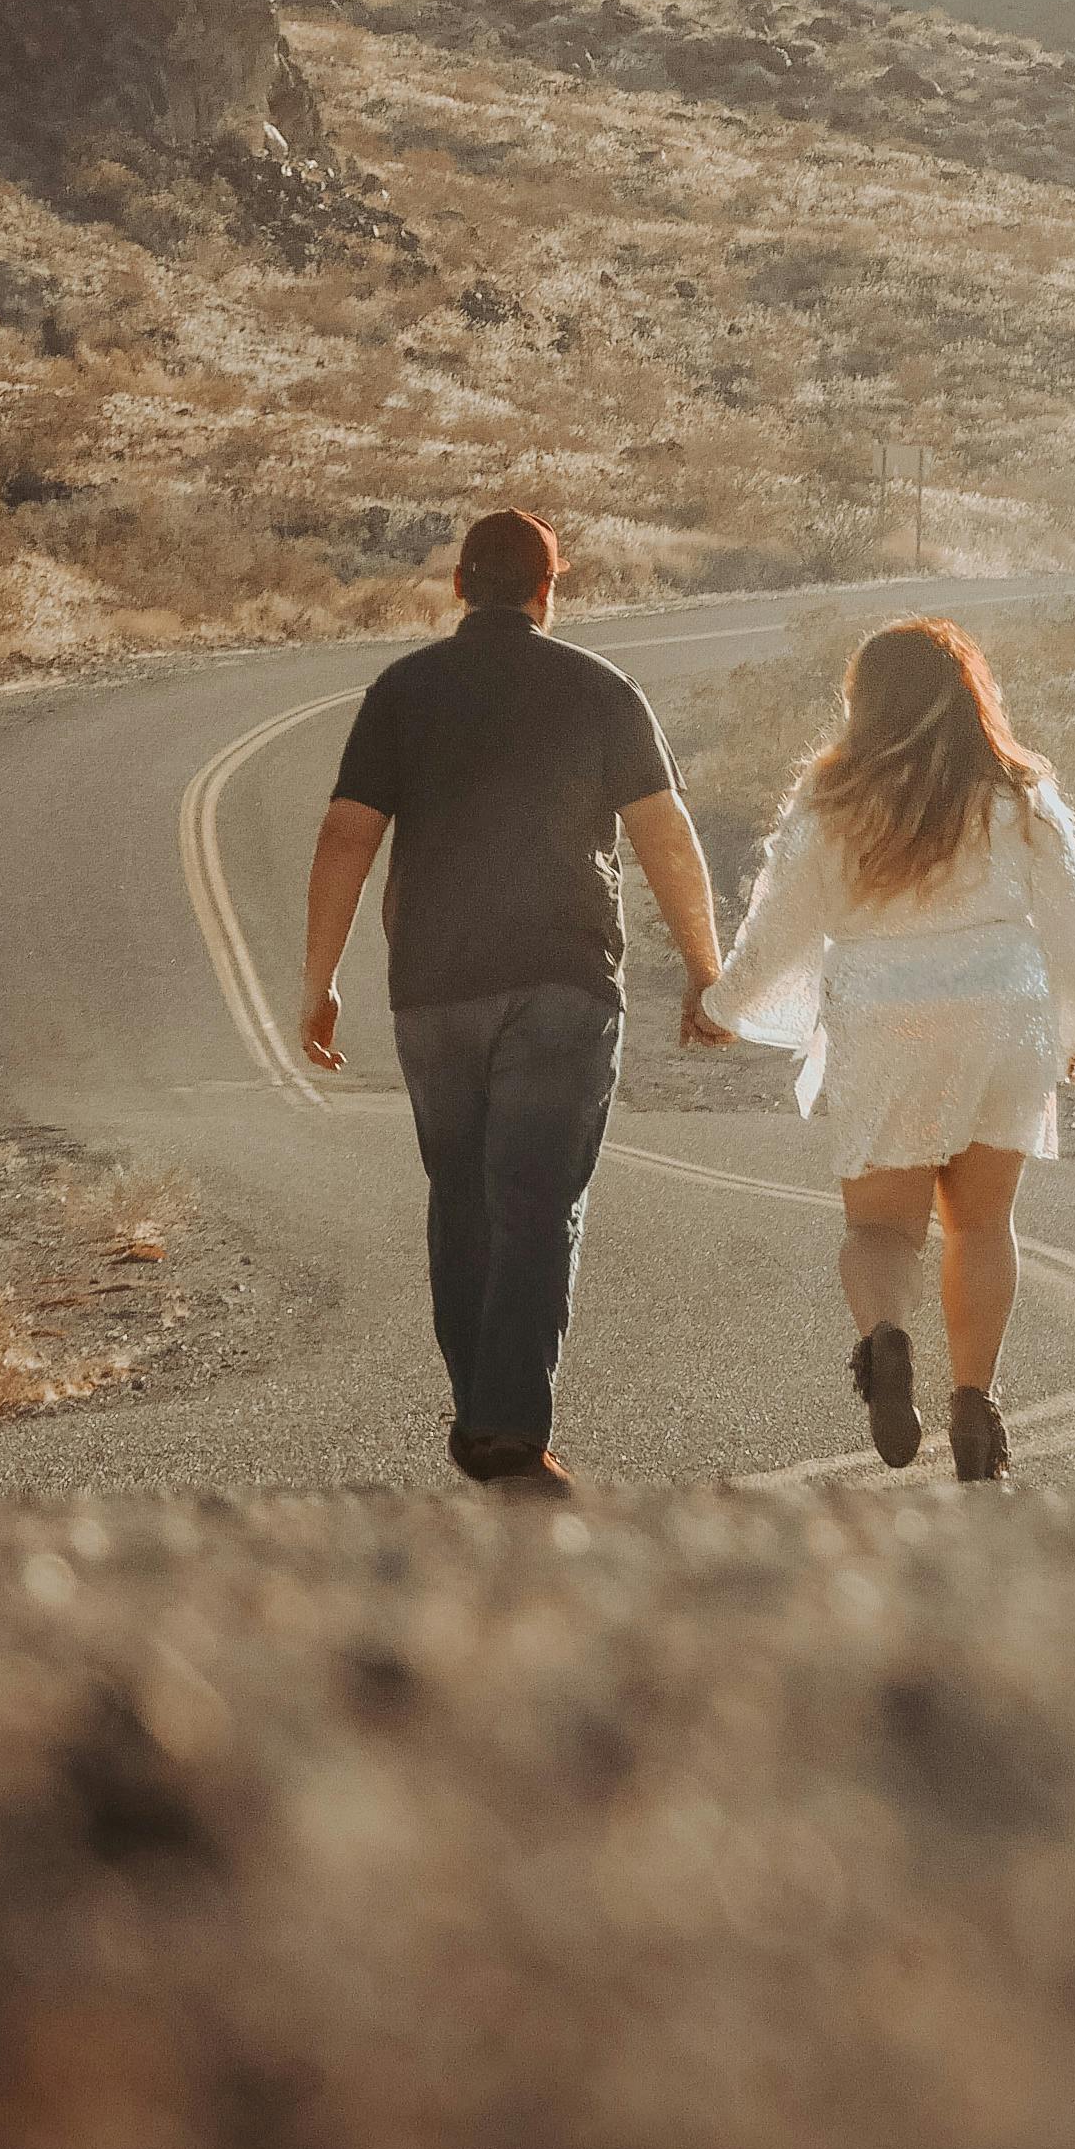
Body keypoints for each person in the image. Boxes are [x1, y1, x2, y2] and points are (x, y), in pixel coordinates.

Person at [298, 508, 727, 1493]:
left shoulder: (405, 690)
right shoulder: (601, 688)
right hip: (563, 979)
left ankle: (485, 1420)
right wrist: (706, 969)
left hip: (434, 986)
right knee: (535, 1200)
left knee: (462, 1198)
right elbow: (666, 836)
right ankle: (505, 1423)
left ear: (459, 585)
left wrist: (318, 982)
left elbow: (343, 837)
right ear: (549, 588)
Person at [702, 618, 1075, 1485]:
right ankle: (976, 1409)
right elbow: (1068, 918)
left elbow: (782, 919)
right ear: (972, 698)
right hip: (1005, 1008)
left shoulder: (833, 799)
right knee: (982, 1224)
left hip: (886, 1014)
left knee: (881, 1227)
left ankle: (886, 1342)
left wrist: (723, 1004)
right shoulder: (1021, 791)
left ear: (864, 701)